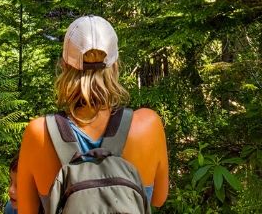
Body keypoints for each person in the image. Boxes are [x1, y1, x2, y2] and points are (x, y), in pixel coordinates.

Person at [17, 15, 169, 213]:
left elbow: (25, 210)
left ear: (64, 66)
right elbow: (158, 198)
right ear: (115, 65)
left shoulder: (38, 132)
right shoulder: (149, 124)